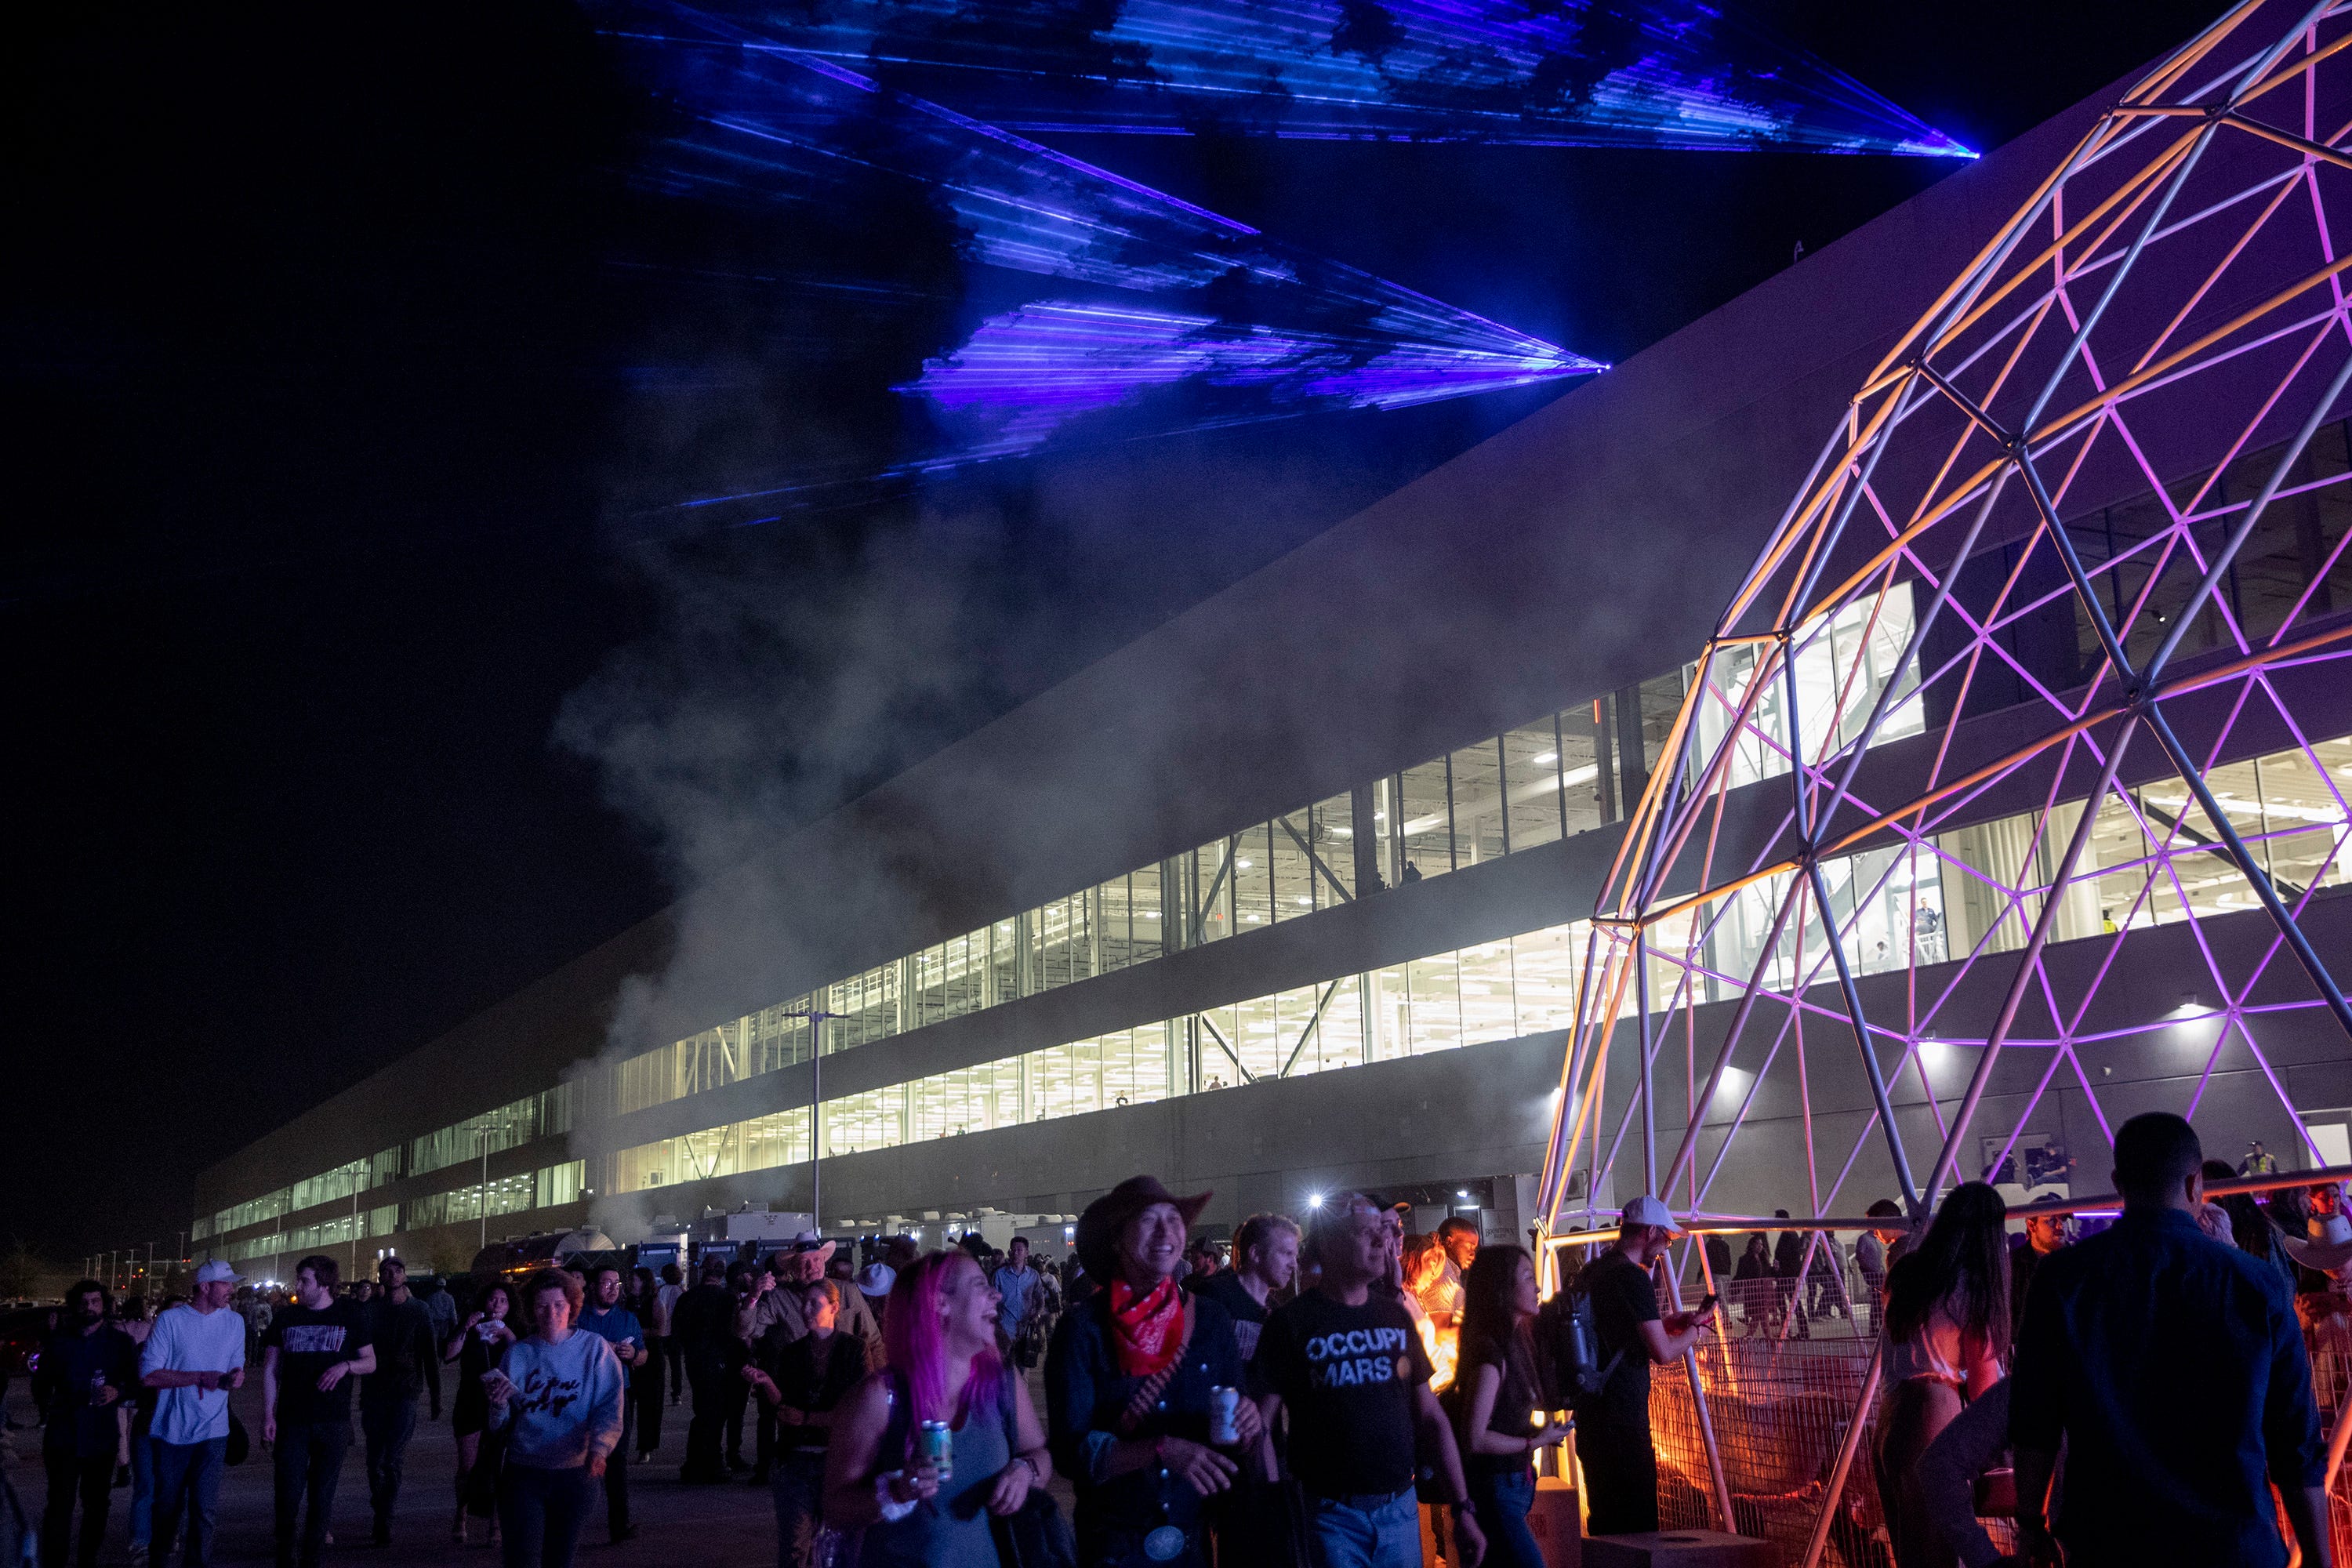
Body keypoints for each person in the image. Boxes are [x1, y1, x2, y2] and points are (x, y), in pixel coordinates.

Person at [2012, 1112, 2329, 1568]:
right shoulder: (2256, 1284)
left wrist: (2030, 1525)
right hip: (2237, 1547)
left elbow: (2034, 1422)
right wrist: (2318, 1557)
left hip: (2110, 1547)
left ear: (2119, 1183)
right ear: (2195, 1183)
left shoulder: (2061, 1281)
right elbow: (2296, 1441)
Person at [1258, 1191, 1486, 1568]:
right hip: (1329, 1517)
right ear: (1329, 1244)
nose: (1383, 1241)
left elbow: (1430, 1417)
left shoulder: (1394, 1317)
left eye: (1383, 1230)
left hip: (1399, 1509)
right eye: (1366, 1232)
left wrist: (1462, 1507)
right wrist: (1272, 1505)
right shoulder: (1291, 1323)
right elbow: (1261, 1425)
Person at [1046, 1175, 1262, 1568]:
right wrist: (1157, 1450)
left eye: (1174, 1219)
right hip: (1114, 1544)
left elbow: (1232, 1429)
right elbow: (1069, 1453)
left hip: (1193, 1539)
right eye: (1149, 1219)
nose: (1166, 1232)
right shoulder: (1082, 1328)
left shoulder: (1211, 1320)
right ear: (1116, 1239)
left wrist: (1247, 1424)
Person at [822, 1250, 1054, 1568]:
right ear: (940, 1303)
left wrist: (1026, 1471)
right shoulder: (878, 1398)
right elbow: (835, 1506)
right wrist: (896, 1493)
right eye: (979, 1285)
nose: (996, 1295)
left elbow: (1040, 1453)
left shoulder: (1003, 1383)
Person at [1872, 1181, 2007, 1568]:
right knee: (1935, 1555)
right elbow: (1985, 1390)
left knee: (1911, 1554)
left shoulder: (1907, 1273)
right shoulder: (1973, 1286)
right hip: (1932, 1414)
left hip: (1891, 1417)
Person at [1571, 1196, 1715, 1536]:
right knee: (1638, 1532)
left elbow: (1615, 1332)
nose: (1666, 1248)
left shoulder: (1594, 1271)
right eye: (1666, 1238)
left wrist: (1666, 1324)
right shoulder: (1632, 1278)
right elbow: (1663, 1353)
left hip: (1591, 1417)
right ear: (1650, 1232)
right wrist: (1696, 1330)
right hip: (1622, 1422)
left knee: (1605, 1525)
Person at [484, 1269, 625, 1568]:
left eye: (559, 1305)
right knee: (522, 1559)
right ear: (531, 1309)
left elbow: (609, 1405)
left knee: (560, 1558)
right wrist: (497, 1406)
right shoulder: (517, 1354)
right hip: (524, 1471)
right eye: (542, 1306)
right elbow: (500, 1425)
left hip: (575, 1472)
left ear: (572, 1306)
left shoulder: (594, 1349)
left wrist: (600, 1448)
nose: (551, 1314)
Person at [1450, 1245, 1569, 1568]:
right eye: (1528, 1277)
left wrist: (1539, 1432)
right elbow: (1475, 1438)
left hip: (1512, 1486)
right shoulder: (1490, 1354)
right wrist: (1534, 1441)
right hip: (1496, 1489)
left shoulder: (1515, 1342)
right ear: (1501, 1288)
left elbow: (1501, 1419)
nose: (1538, 1287)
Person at [742, 1276, 867, 1568]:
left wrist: (808, 1419)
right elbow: (786, 1406)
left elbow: (859, 1410)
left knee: (835, 1548)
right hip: (796, 1460)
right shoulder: (793, 1352)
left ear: (834, 1307)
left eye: (815, 1304)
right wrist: (767, 1383)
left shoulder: (853, 1349)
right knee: (794, 1547)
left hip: (837, 1459)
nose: (806, 1310)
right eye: (803, 1303)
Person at [263, 1255, 378, 1568]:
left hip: (333, 1421)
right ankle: (285, 1554)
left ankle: (311, 1557)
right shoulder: (286, 1318)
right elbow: (271, 1369)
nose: (298, 1286)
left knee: (321, 1495)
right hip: (292, 1420)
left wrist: (346, 1366)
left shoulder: (350, 1315)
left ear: (325, 1284)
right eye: (298, 1280)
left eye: (305, 1281)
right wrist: (268, 1415)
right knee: (287, 1494)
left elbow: (370, 1362)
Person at [141, 1261, 248, 1568]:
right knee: (167, 1508)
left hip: (214, 1431)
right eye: (225, 1284)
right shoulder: (171, 1320)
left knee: (204, 1510)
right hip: (172, 1431)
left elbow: (236, 1366)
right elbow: (149, 1375)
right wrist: (199, 1377)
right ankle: (159, 1561)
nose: (231, 1289)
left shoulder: (235, 1322)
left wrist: (235, 1377)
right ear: (204, 1287)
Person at [35, 1279, 140, 1568]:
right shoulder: (59, 1342)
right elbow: (40, 1385)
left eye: (95, 1302)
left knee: (97, 1505)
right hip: (63, 1436)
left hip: (101, 1436)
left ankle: (87, 1559)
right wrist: (50, 1403)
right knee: (59, 1505)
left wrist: (117, 1391)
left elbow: (135, 1385)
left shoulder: (120, 1343)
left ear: (105, 1305)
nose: (89, 1308)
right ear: (74, 1305)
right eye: (83, 1303)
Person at [359, 1257, 441, 1546]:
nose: (391, 1275)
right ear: (380, 1277)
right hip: (375, 1392)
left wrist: (435, 1395)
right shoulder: (372, 1311)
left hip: (406, 1392)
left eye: (397, 1271)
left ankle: (385, 1517)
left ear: (405, 1275)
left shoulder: (419, 1310)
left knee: (392, 1459)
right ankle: (380, 1507)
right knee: (374, 1461)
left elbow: (429, 1354)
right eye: (386, 1271)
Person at [576, 1265, 648, 1543]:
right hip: (583, 1396)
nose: (612, 1289)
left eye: (616, 1284)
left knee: (617, 1461)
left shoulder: (628, 1319)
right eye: (606, 1283)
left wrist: (634, 1354)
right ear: (593, 1286)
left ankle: (619, 1525)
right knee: (577, 1458)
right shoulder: (579, 1318)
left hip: (618, 1396)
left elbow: (643, 1354)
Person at [447, 1280, 520, 1547]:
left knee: (499, 1467)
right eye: (492, 1299)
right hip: (470, 1401)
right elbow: (449, 1354)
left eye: (503, 1301)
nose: (497, 1305)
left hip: (502, 1402)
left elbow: (523, 1358)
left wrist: (507, 1332)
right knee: (467, 1466)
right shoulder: (471, 1325)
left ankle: (495, 1524)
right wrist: (466, 1327)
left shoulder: (514, 1330)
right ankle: (461, 1517)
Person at [1189, 1211, 1299, 1366]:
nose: (1294, 1264)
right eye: (1287, 1253)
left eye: (1295, 1256)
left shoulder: (1276, 1314)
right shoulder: (1212, 1298)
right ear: (1255, 1253)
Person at [673, 1258, 736, 1483]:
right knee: (716, 1412)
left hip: (695, 1359)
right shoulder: (727, 1298)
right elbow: (733, 1332)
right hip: (719, 1360)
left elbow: (677, 1331)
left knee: (703, 1410)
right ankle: (711, 1462)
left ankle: (696, 1462)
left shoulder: (687, 1298)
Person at [2007, 1197, 2068, 1341]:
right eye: (2051, 1220)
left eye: (2064, 1219)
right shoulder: (2012, 1265)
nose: (2060, 1225)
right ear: (2032, 1226)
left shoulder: (2080, 1261)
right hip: (2032, 1349)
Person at [993, 1236, 1046, 1367]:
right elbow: (992, 1302)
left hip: (1025, 1330)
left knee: (1023, 1369)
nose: (1016, 1253)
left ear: (1027, 1253)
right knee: (1005, 1369)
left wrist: (1037, 1315)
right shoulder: (1000, 1275)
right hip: (1005, 1330)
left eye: (1020, 1250)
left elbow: (1040, 1299)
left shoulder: (1033, 1276)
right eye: (1013, 1250)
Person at [631, 1265, 666, 1460]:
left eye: (634, 1279)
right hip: (629, 1355)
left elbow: (660, 1329)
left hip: (651, 1356)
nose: (631, 1283)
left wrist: (635, 1332)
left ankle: (646, 1447)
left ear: (644, 1282)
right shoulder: (627, 1301)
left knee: (650, 1403)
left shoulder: (654, 1302)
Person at [1432, 1215, 1479, 1325]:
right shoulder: (1441, 1277)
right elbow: (1441, 1330)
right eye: (1470, 1246)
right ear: (1449, 1242)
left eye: (1475, 1249)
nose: (1473, 1254)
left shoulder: (1452, 1274)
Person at [421, 1276, 459, 1417]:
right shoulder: (449, 1298)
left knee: (434, 1346)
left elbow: (427, 1312)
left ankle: (435, 1362)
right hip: (444, 1325)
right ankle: (438, 1361)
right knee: (442, 1346)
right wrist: (455, 1327)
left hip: (434, 1324)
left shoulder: (431, 1297)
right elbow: (453, 1313)